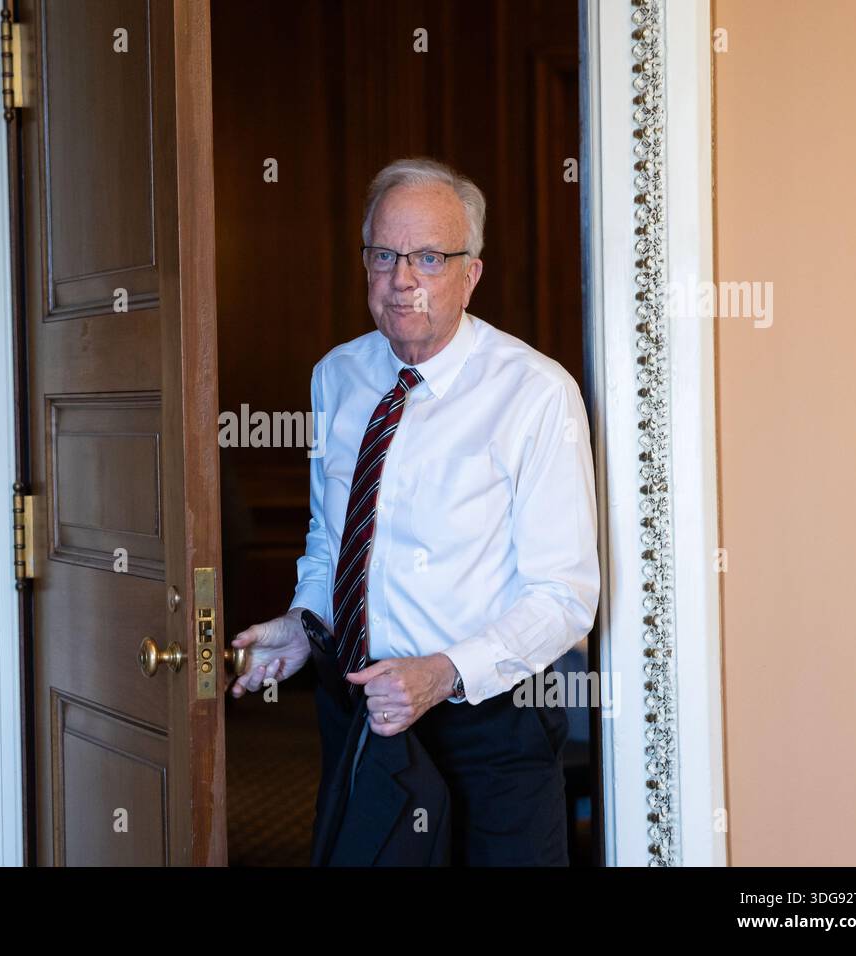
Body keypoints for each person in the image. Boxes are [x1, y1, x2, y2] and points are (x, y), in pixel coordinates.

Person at [227, 156, 600, 866]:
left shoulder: (536, 394)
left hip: (490, 730)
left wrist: (443, 672)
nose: (403, 279)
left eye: (430, 258)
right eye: (384, 255)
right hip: (361, 716)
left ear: (471, 273)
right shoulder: (337, 375)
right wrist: (308, 623)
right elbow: (330, 536)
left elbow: (566, 597)